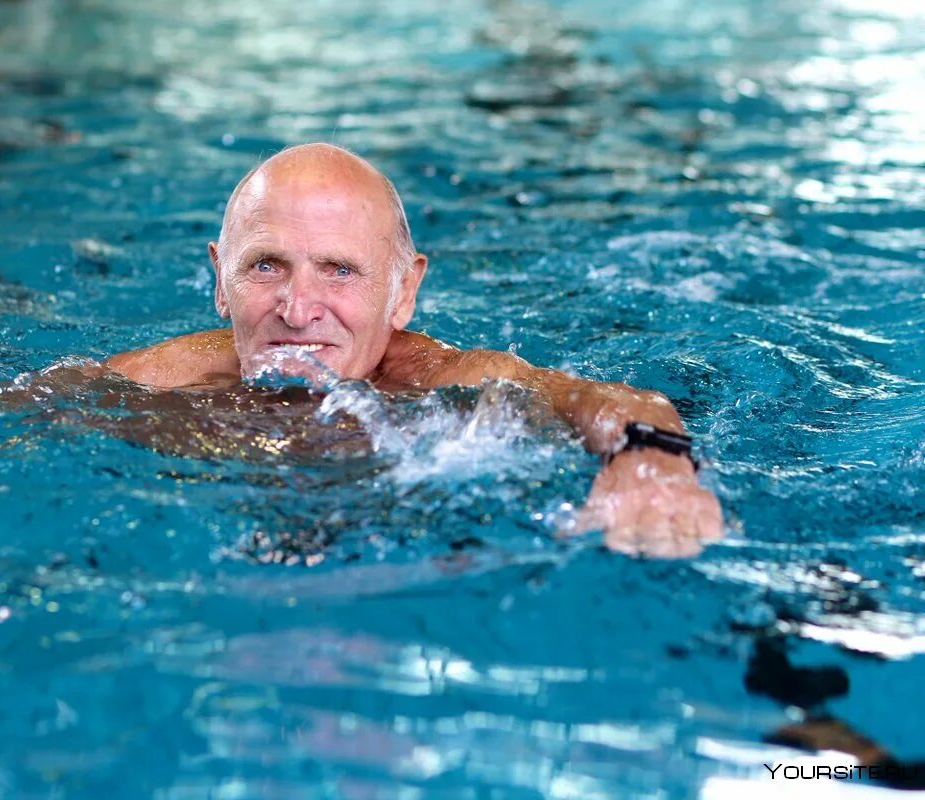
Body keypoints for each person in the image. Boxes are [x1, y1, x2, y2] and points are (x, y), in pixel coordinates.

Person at [102, 143, 723, 557]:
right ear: (221, 280)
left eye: (340, 270)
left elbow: (614, 401)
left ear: (403, 293)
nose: (298, 308)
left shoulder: (445, 382)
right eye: (266, 265)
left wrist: (652, 460)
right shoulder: (158, 381)